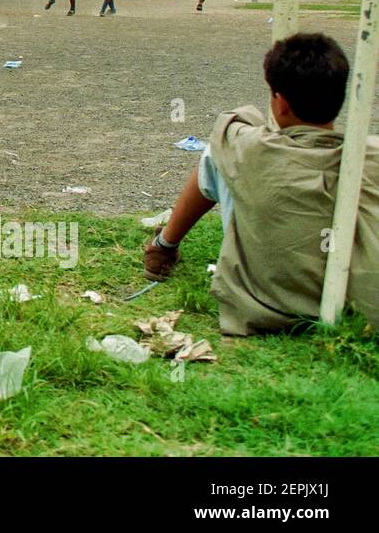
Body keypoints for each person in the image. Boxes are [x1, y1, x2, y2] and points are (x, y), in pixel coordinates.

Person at [142, 33, 378, 334]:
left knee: (216, 154)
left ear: (280, 102)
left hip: (268, 306)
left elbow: (228, 125)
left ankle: (163, 247)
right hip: (354, 309)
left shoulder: (251, 149)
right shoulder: (370, 154)